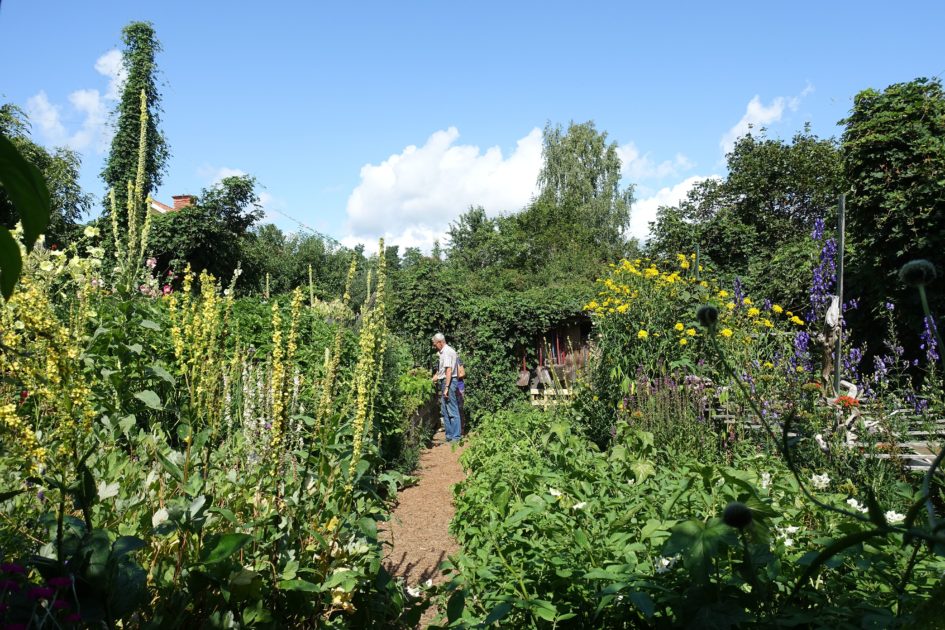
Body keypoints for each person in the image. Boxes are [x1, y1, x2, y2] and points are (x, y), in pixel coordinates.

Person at [431, 332, 462, 442]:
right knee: (445, 410)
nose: (434, 346)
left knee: (452, 409)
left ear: (440, 342)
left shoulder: (447, 352)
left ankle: (456, 437)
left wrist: (447, 387)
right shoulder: (444, 352)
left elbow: (449, 370)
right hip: (447, 381)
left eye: (435, 344)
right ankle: (449, 436)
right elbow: (447, 371)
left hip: (449, 381)